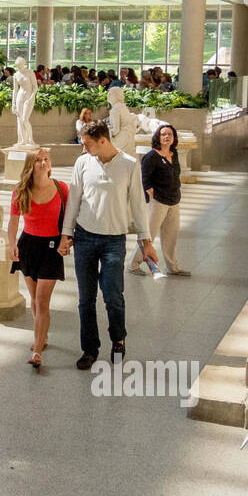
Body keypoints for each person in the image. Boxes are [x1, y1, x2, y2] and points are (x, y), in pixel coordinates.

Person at [61, 121, 156, 369]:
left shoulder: (129, 164)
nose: (84, 149)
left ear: (103, 140)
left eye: (88, 144)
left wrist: (146, 243)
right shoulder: (83, 163)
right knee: (85, 299)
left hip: (114, 240)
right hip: (84, 237)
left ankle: (118, 339)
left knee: (113, 296)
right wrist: (66, 234)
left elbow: (138, 205)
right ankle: (89, 349)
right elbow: (73, 201)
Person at [7, 147, 69, 369]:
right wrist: (12, 244)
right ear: (31, 165)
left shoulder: (62, 189)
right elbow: (13, 222)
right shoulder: (21, 190)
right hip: (28, 245)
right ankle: (42, 334)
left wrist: (66, 241)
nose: (43, 163)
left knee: (43, 301)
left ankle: (37, 348)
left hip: (51, 247)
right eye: (38, 160)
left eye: (46, 159)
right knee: (33, 299)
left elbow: (70, 220)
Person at [129, 124, 189, 277]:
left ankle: (172, 267)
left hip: (174, 201)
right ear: (158, 137)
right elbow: (144, 178)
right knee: (148, 234)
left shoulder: (173, 154)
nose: (166, 137)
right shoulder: (152, 156)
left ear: (174, 138)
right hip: (159, 202)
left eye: (169, 134)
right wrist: (151, 192)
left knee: (171, 235)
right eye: (163, 134)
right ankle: (133, 264)